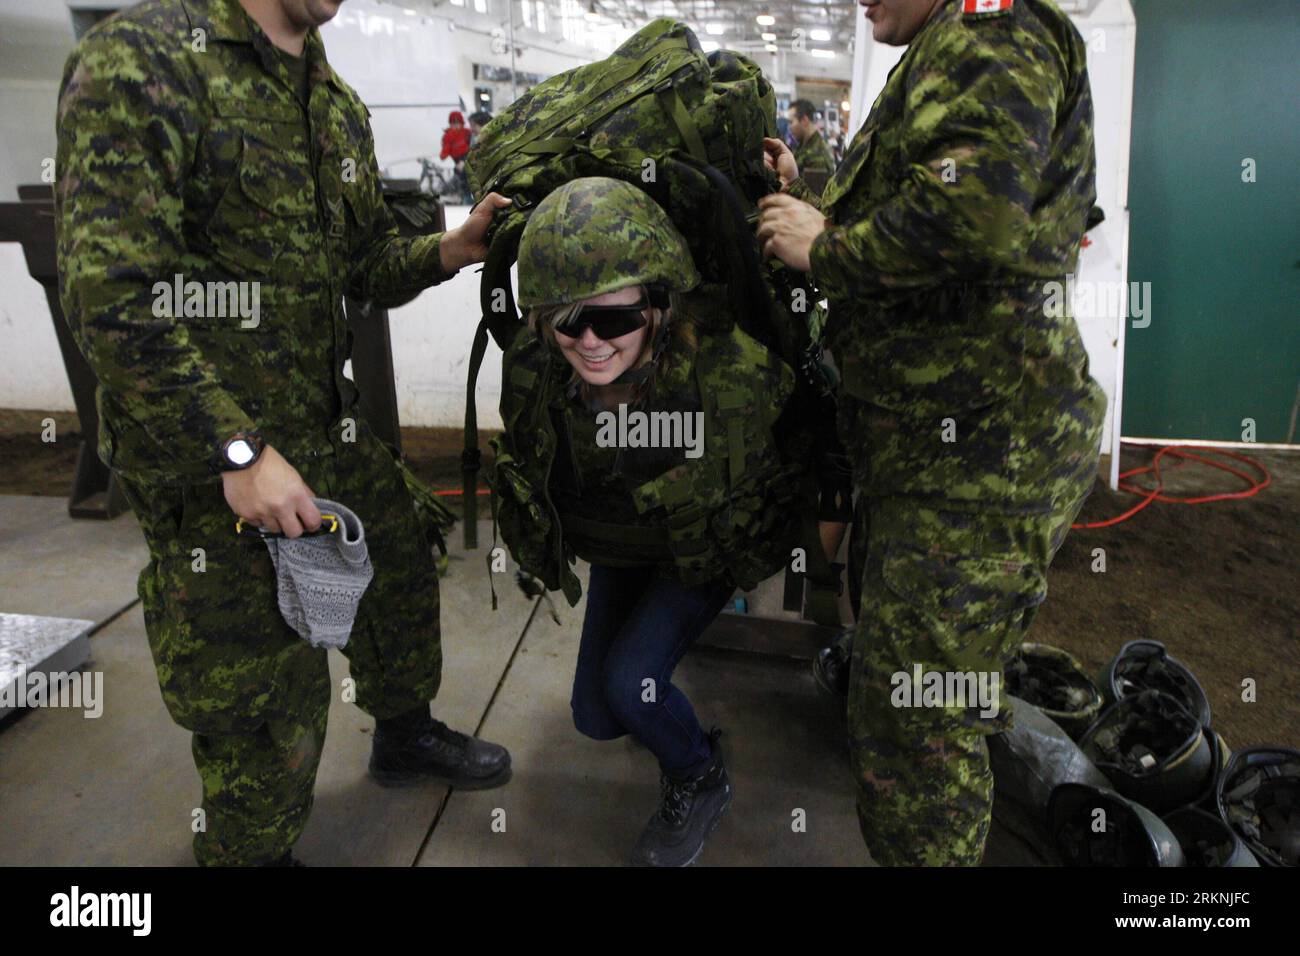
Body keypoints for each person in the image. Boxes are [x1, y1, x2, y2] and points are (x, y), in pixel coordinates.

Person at [54, 0, 513, 866]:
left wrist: (449, 250)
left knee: (402, 566)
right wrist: (237, 450)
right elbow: (113, 296)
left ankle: (403, 731)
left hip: (319, 428)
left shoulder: (329, 99)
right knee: (268, 696)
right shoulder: (146, 60)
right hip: (211, 466)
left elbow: (365, 260)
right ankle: (249, 858)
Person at [757, 0, 1106, 866]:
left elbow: (975, 216)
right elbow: (934, 200)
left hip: (985, 457)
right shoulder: (947, 44)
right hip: (933, 450)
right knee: (914, 686)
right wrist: (811, 195)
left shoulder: (992, 25)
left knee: (914, 714)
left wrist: (828, 247)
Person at [493, 177, 816, 866]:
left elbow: (787, 477)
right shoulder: (539, 369)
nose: (590, 341)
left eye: (614, 320)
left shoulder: (725, 375)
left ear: (661, 306)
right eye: (566, 319)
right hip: (626, 542)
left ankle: (698, 774)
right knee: (595, 715)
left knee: (629, 685)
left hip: (701, 550)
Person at [786, 99, 837, 185]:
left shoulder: (818, 156)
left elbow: (811, 196)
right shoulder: (803, 146)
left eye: (791, 122)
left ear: (804, 120)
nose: (789, 127)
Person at [440, 109, 473, 202]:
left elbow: (472, 146)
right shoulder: (447, 136)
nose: (456, 125)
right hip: (457, 161)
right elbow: (445, 152)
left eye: (458, 122)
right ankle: (465, 197)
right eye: (453, 122)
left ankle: (467, 197)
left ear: (461, 122)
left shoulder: (467, 133)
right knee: (462, 180)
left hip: (468, 158)